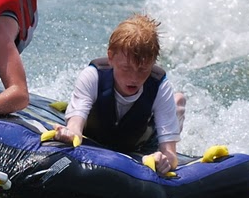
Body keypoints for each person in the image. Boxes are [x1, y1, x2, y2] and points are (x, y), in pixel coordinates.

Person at [54, 14, 185, 174]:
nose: (134, 78)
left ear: (153, 63)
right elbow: (75, 128)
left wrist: (164, 160)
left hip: (140, 139)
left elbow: (170, 155)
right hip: (97, 130)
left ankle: (176, 109)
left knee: (168, 114)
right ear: (111, 57)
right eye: (126, 68)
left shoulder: (160, 86)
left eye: (143, 69)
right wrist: (69, 134)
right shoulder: (93, 76)